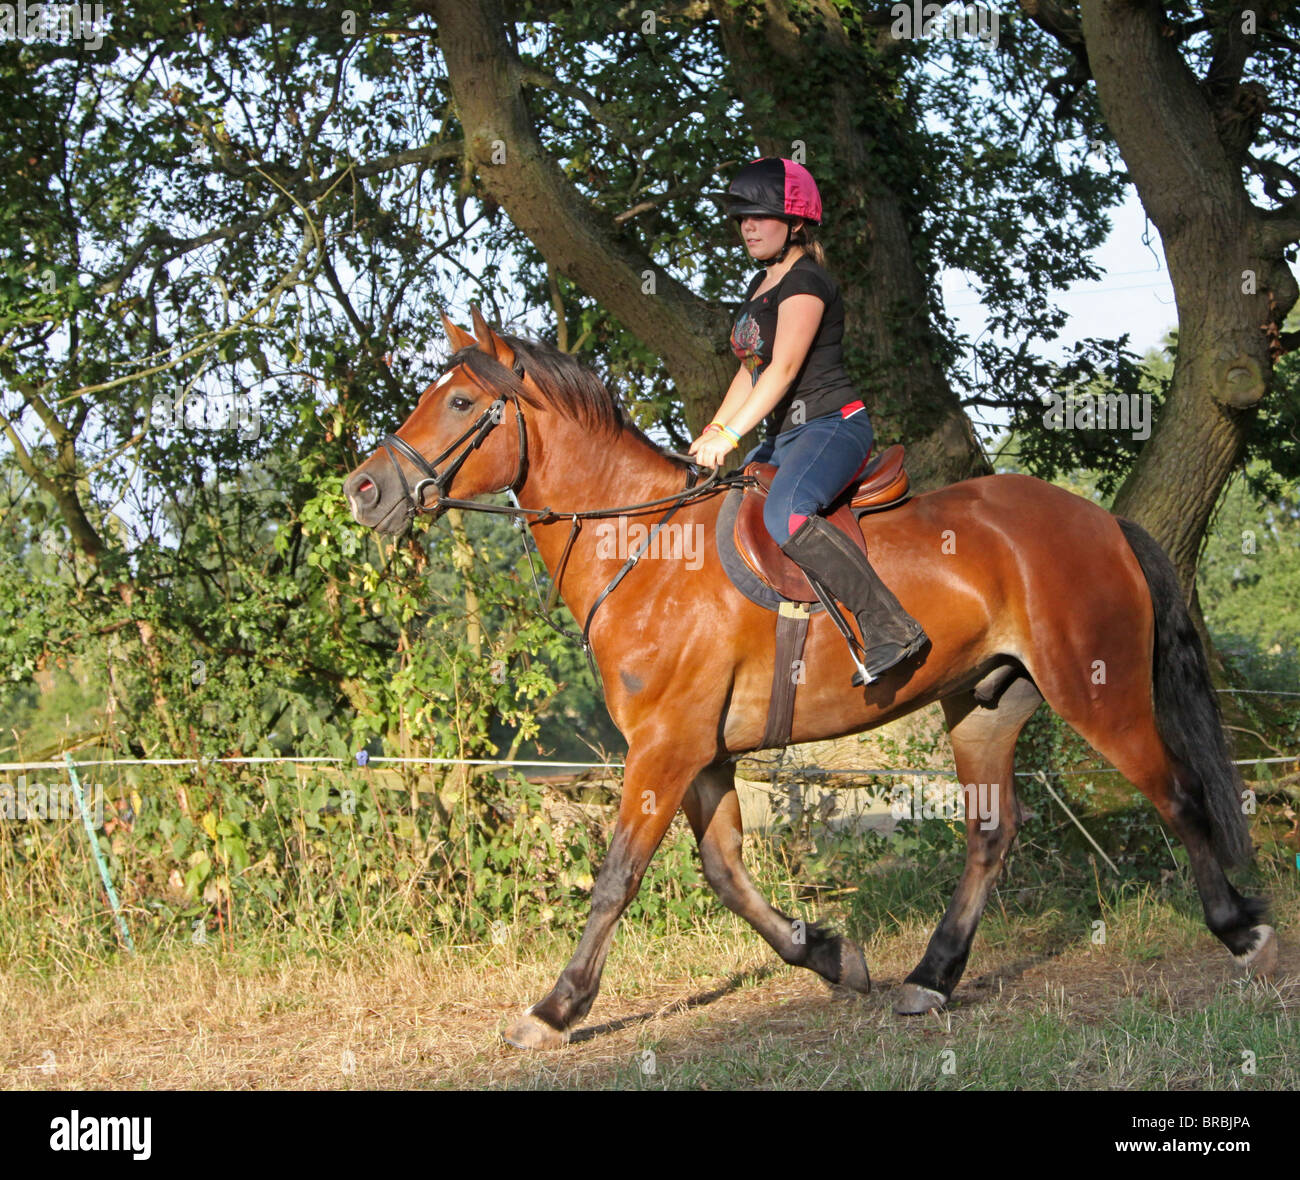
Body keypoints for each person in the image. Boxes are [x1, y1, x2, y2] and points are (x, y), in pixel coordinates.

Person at [690, 156, 928, 685]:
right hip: (784, 436)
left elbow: (785, 367)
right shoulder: (762, 284)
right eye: (742, 218)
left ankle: (891, 625)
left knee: (787, 515)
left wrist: (732, 434)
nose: (747, 226)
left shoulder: (806, 281)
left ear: (795, 223)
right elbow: (750, 372)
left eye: (760, 216)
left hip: (831, 426)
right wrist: (712, 431)